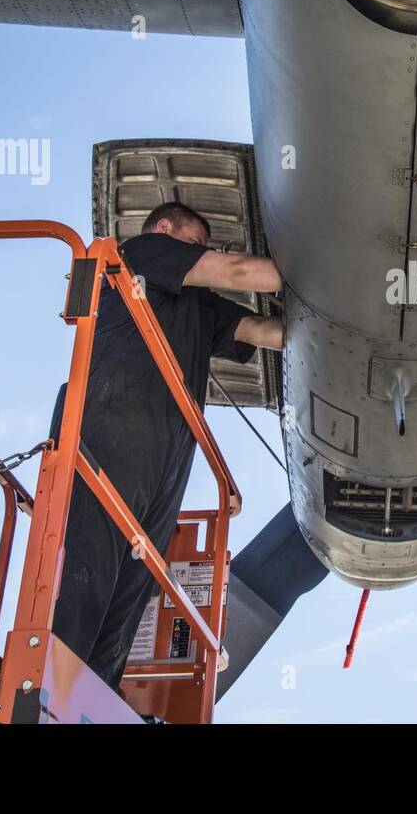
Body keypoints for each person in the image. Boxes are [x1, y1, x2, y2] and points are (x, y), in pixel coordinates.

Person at [49, 201, 284, 691]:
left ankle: (93, 698)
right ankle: (52, 692)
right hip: (112, 419)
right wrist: (338, 270)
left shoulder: (199, 307)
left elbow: (263, 332)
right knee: (91, 562)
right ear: (164, 229)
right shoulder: (142, 252)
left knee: (137, 576)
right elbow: (241, 270)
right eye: (195, 244)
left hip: (169, 449)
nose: (202, 255)